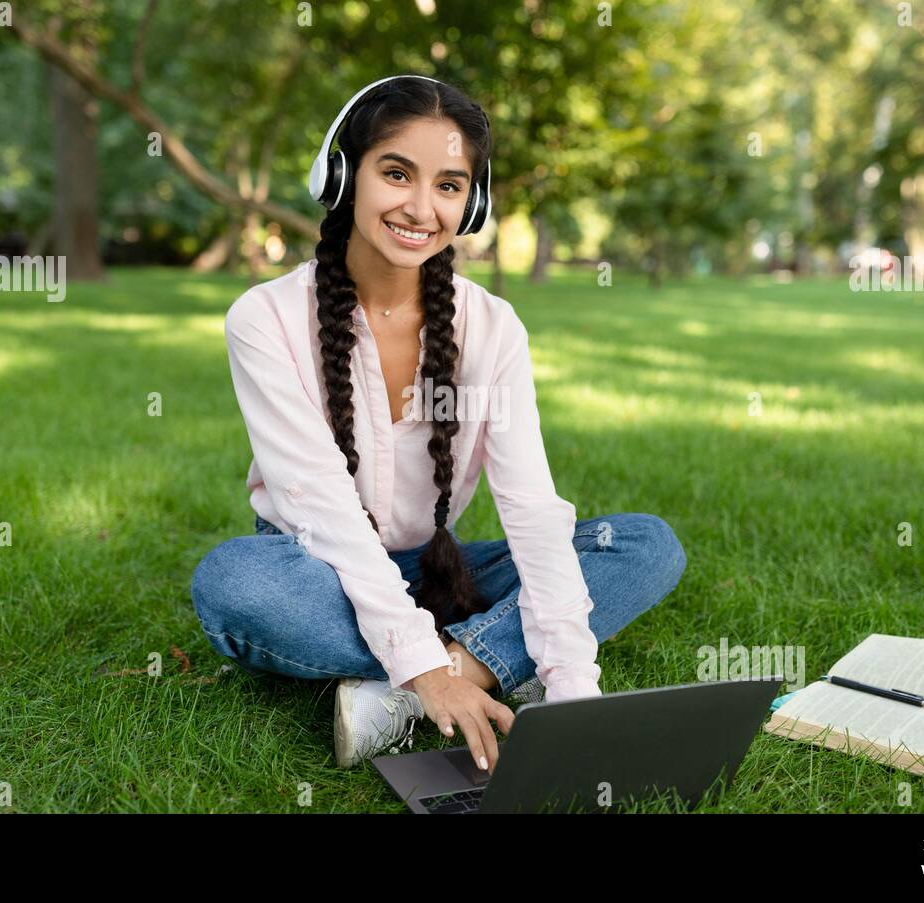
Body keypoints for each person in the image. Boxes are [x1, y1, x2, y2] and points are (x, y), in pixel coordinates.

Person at [190, 75, 686, 777]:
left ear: (472, 204)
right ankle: (477, 661)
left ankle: (415, 689)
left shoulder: (492, 327)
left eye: (450, 185)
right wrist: (426, 663)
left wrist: (575, 692)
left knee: (643, 545)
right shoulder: (264, 319)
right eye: (396, 173)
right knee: (234, 584)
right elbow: (322, 507)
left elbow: (530, 509)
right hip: (315, 568)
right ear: (342, 175)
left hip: (439, 568)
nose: (421, 207)